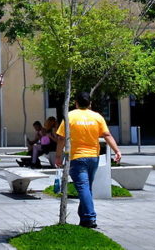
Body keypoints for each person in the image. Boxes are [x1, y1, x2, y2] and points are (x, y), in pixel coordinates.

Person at [54, 92, 122, 229]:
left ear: (76, 103)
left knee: (83, 188)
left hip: (77, 158)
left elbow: (61, 138)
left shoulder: (70, 116)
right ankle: (84, 218)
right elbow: (107, 135)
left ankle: (90, 218)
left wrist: (58, 156)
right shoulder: (97, 117)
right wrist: (117, 151)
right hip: (93, 158)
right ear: (90, 103)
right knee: (86, 188)